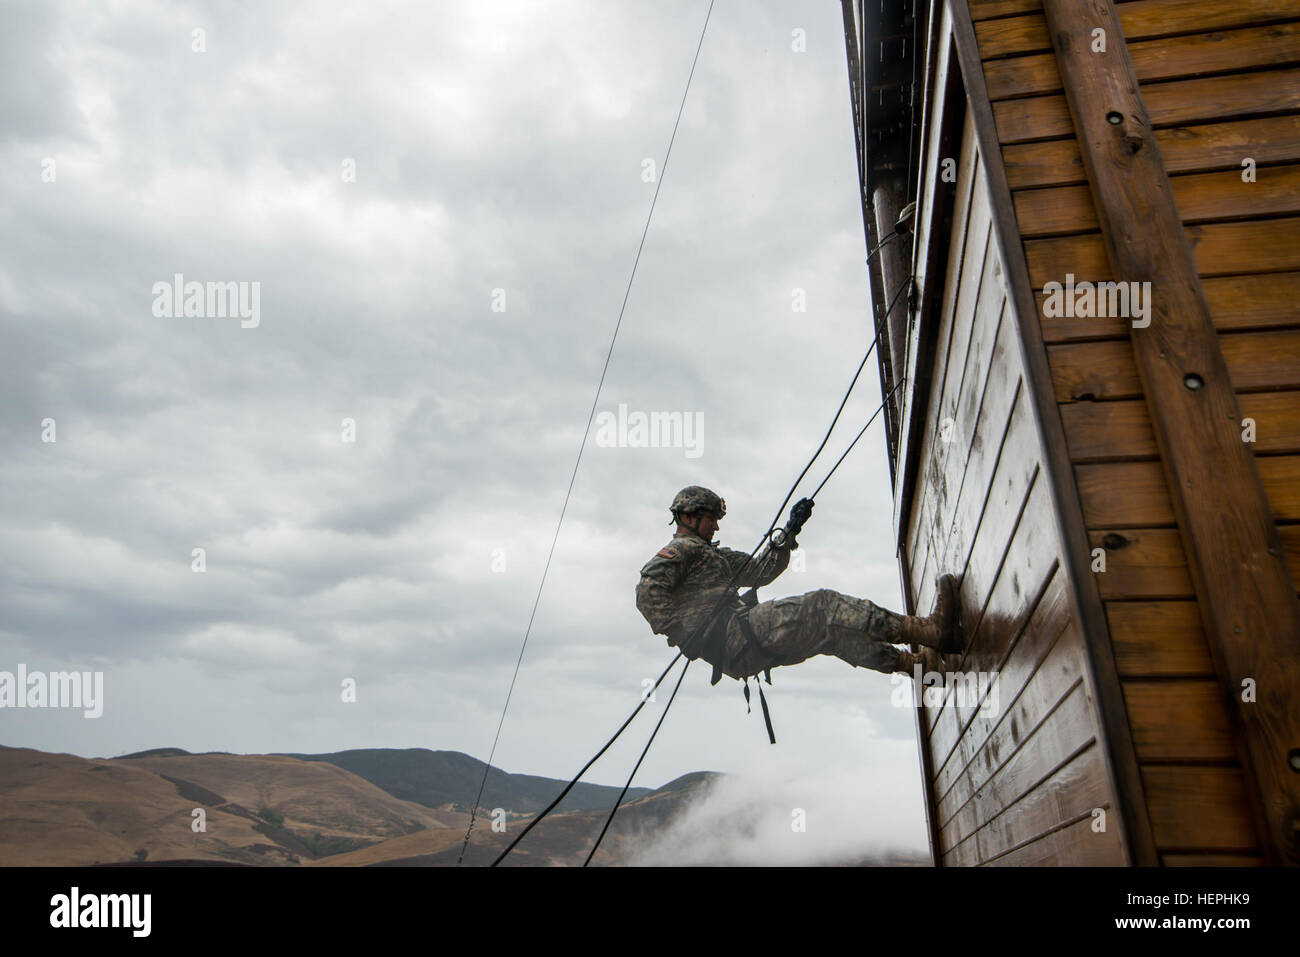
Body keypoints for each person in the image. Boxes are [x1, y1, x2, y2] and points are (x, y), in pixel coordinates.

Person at [635, 485, 961, 686]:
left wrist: (790, 532)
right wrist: (682, 632)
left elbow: (761, 571)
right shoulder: (683, 550)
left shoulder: (713, 556)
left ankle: (920, 668)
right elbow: (648, 590)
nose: (717, 525)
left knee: (831, 634)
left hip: (739, 649)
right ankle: (928, 632)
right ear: (689, 516)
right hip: (735, 636)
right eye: (711, 518)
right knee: (824, 605)